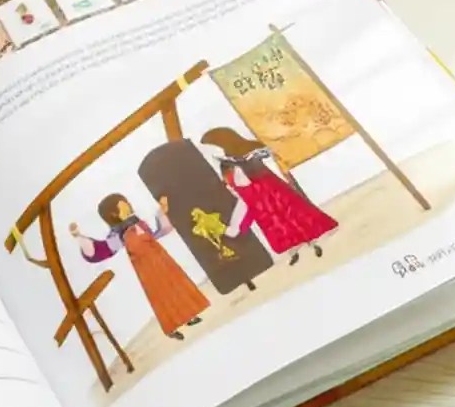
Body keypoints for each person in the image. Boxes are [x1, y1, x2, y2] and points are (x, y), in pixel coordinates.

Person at [137, 139, 273, 295]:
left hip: (211, 200)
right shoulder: (167, 182)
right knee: (217, 242)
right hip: (196, 209)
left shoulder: (198, 164)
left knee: (229, 233)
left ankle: (246, 265)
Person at [69, 193, 208, 341]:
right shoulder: (118, 234)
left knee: (178, 287)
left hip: (162, 260)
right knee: (161, 298)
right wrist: (79, 237)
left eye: (127, 204)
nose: (128, 207)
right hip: (146, 269)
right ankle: (170, 327)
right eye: (123, 207)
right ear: (113, 214)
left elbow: (159, 232)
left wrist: (162, 211)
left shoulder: (139, 223)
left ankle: (189, 315)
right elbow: (100, 250)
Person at [199, 127, 338, 266]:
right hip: (256, 199)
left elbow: (267, 162)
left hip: (270, 191)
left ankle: (312, 241)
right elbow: (235, 185)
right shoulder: (226, 164)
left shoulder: (251, 149)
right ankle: (294, 247)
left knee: (291, 214)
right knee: (276, 223)